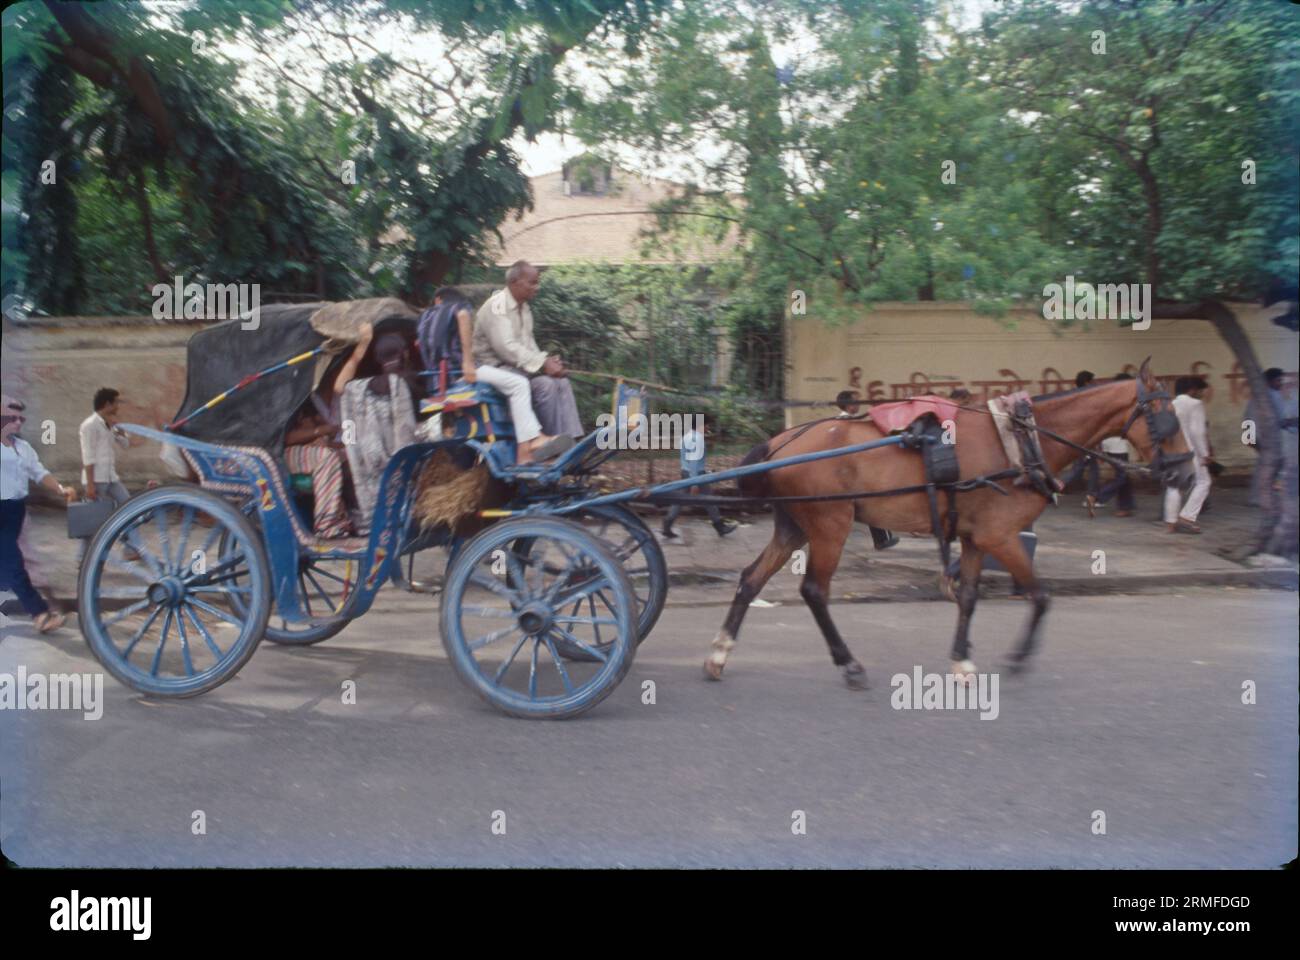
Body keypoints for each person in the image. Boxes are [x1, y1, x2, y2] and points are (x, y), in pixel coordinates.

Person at [418, 286, 571, 464]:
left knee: (513, 383)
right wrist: (468, 361)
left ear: (437, 299)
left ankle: (527, 446)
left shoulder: (424, 317)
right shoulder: (457, 306)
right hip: (461, 374)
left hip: (437, 381)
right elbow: (463, 315)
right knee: (518, 383)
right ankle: (530, 445)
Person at [473, 261, 583, 440]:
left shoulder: (524, 309)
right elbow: (506, 348)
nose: (537, 287)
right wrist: (542, 364)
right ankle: (549, 443)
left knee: (561, 383)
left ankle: (571, 441)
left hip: (517, 369)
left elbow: (529, 346)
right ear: (515, 282)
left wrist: (548, 362)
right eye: (532, 282)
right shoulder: (496, 306)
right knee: (545, 385)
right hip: (495, 370)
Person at [2, 395, 78, 634]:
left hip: (16, 510)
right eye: (11, 418)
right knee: (13, 563)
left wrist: (60, 489)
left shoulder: (22, 447)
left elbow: (39, 472)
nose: (17, 423)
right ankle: (40, 614)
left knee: (10, 562)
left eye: (20, 418)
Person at [335, 324, 419, 534]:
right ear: (406, 354)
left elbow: (340, 386)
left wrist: (361, 346)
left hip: (374, 471)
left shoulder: (366, 387)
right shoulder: (413, 382)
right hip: (410, 472)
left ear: (378, 360)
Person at [283, 386, 354, 540]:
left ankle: (352, 518)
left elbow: (342, 442)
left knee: (351, 456)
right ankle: (326, 524)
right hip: (280, 455)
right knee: (327, 457)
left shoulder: (340, 404)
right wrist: (320, 431)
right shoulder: (291, 400)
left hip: (312, 450)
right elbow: (286, 438)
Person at [835, 390, 898, 549]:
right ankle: (882, 539)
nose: (859, 404)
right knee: (872, 500)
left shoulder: (845, 420)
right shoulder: (846, 422)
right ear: (850, 405)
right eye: (857, 401)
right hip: (851, 469)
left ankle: (882, 539)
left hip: (851, 468)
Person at [661, 424, 736, 540]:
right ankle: (720, 527)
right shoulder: (697, 439)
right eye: (706, 426)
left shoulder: (686, 436)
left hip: (686, 472)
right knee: (709, 500)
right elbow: (694, 461)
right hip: (695, 475)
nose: (707, 428)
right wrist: (695, 481)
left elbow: (687, 458)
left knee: (680, 500)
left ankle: (667, 525)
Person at [1163, 376, 1213, 534]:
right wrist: (1205, 454)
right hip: (1191, 451)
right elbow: (1197, 432)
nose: (1201, 394)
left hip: (1172, 451)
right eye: (1199, 390)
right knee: (1204, 482)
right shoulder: (1195, 404)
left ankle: (1170, 524)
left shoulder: (1170, 404)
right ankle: (1187, 517)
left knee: (1174, 486)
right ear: (1192, 389)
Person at [79, 388, 131, 508]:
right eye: (116, 403)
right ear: (108, 404)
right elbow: (88, 455)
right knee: (98, 514)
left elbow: (125, 444)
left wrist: (120, 430)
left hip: (111, 477)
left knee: (127, 505)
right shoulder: (90, 425)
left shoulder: (111, 424)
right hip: (96, 479)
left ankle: (131, 527)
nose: (118, 406)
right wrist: (90, 485)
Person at [1095, 372, 1136, 516]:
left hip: (1109, 442)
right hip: (1117, 444)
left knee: (1124, 476)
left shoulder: (1108, 398)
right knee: (1122, 476)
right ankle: (1098, 497)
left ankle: (1126, 507)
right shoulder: (1121, 400)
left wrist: (1099, 445)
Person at [1059, 370, 1100, 513]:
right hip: (1085, 439)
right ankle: (1054, 487)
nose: (1094, 384)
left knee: (1093, 468)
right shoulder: (1085, 397)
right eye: (1092, 382)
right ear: (1087, 382)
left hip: (1081, 438)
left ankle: (1091, 495)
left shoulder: (1074, 396)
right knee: (1078, 469)